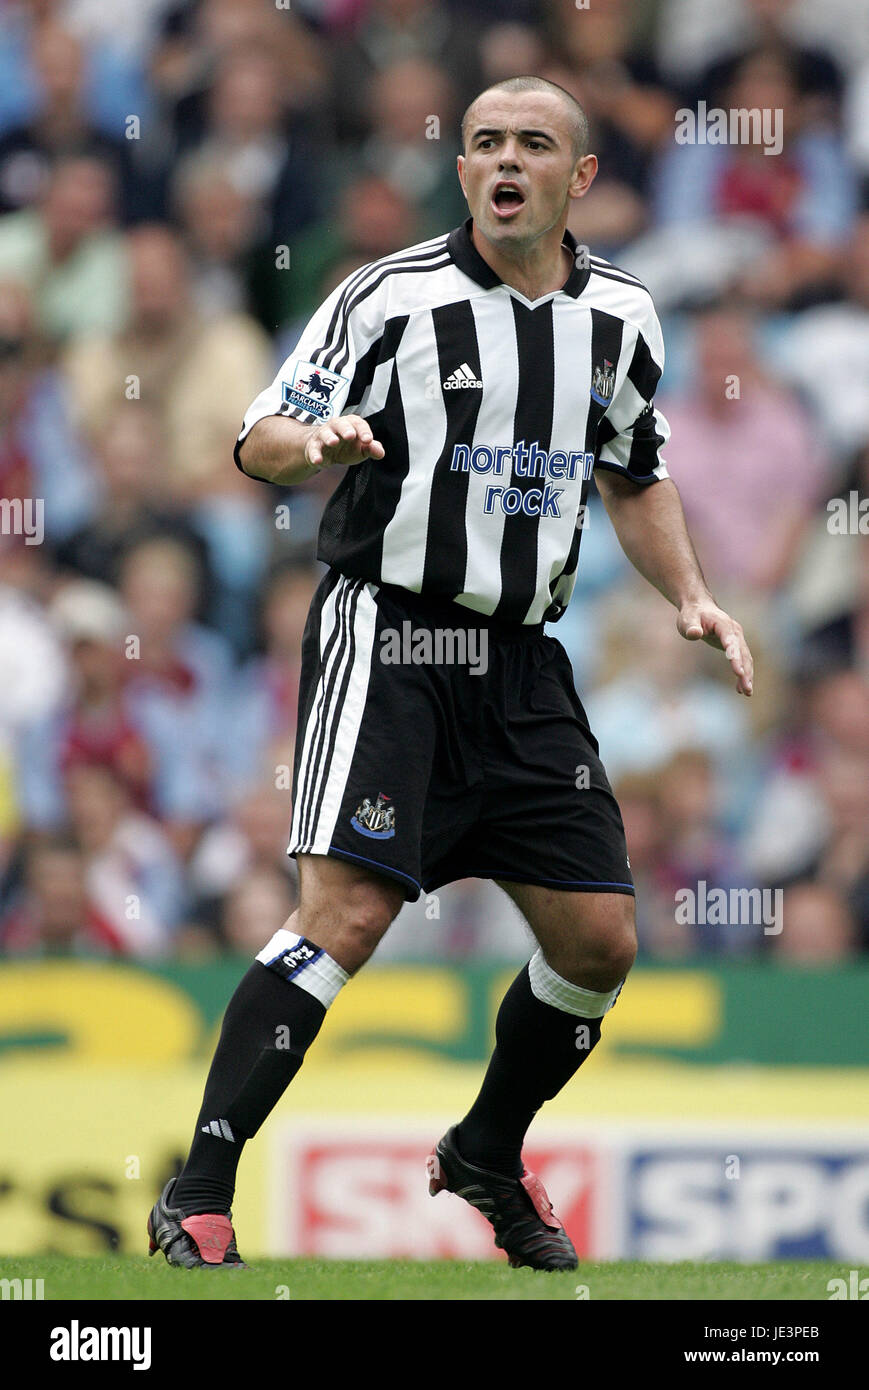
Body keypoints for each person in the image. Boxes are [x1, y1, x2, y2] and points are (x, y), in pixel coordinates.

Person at [147, 75, 754, 1273]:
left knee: (597, 942)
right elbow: (260, 432)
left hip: (522, 661)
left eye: (532, 142)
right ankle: (198, 1193)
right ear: (462, 168)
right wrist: (306, 446)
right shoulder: (389, 295)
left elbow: (632, 471)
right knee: (348, 914)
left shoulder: (623, 314)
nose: (503, 160)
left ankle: (483, 1148)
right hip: (393, 639)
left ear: (578, 177)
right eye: (483, 143)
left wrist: (687, 591)